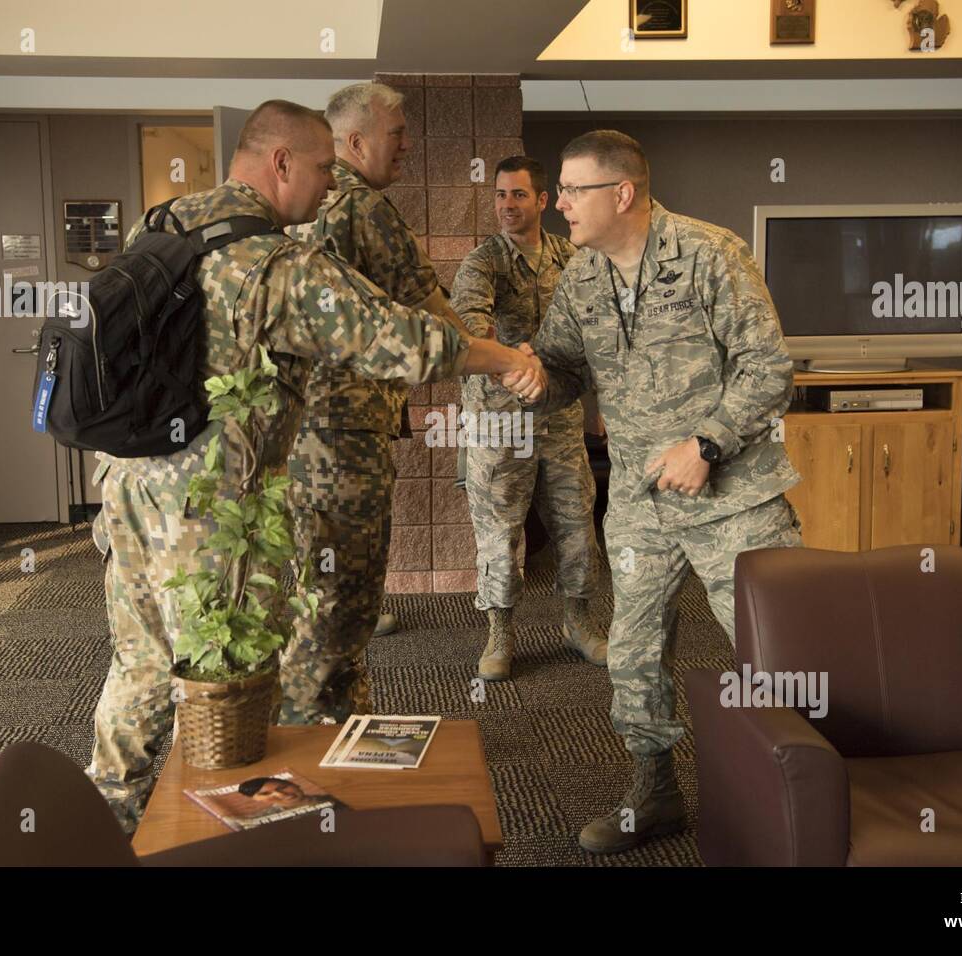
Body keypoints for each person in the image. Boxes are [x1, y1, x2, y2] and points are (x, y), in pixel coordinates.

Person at [85, 99, 538, 834]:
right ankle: (246, 839)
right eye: (323, 167)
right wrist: (504, 359)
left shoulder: (159, 225)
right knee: (232, 688)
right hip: (210, 515)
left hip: (129, 486)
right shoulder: (275, 263)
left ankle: (104, 827)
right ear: (280, 162)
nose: (333, 185)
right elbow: (398, 340)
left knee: (139, 668)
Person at [502, 130, 803, 854]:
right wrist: (528, 377)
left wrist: (706, 445)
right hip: (639, 501)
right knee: (633, 654)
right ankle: (655, 790)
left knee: (780, 653)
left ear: (622, 194)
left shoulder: (710, 253)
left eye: (573, 190)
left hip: (735, 497)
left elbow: (770, 369)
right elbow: (566, 370)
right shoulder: (580, 276)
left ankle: (802, 791)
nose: (561, 203)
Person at [279, 81, 475, 725]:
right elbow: (432, 317)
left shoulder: (309, 209)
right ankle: (310, 741)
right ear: (356, 142)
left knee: (324, 595)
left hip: (307, 437)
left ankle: (334, 729)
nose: (408, 144)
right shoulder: (363, 208)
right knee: (342, 605)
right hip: (346, 442)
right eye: (397, 134)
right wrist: (495, 356)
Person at [449, 155, 606, 681]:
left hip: (560, 417)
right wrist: (515, 367)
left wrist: (598, 404)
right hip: (500, 421)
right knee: (499, 532)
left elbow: (597, 332)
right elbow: (470, 330)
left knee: (577, 524)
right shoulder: (482, 261)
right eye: (499, 195)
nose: (506, 206)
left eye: (518, 195)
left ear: (542, 201)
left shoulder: (575, 257)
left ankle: (579, 622)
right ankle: (499, 632)